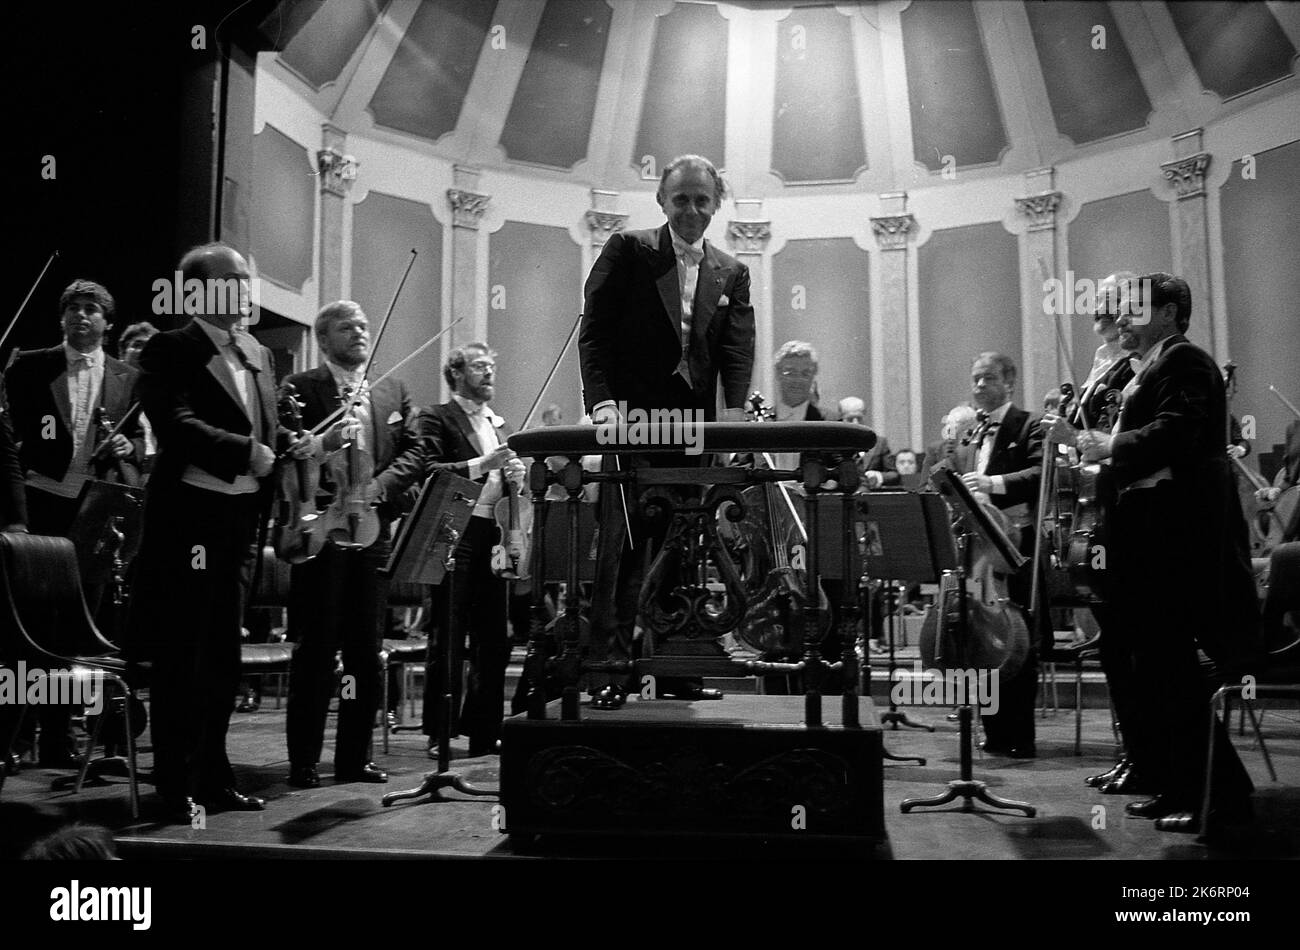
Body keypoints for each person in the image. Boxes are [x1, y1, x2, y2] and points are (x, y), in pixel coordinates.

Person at [1044, 273, 1257, 833]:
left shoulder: (1184, 362)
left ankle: (1222, 799)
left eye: (1134, 310)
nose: (1121, 321)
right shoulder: (1153, 367)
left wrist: (1107, 443)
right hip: (1152, 538)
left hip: (1179, 542)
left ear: (1167, 312)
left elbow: (1178, 432)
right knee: (1161, 671)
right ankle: (1180, 785)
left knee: (1173, 672)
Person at [126, 242, 315, 821]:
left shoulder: (257, 351)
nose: (245, 288)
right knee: (183, 654)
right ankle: (174, 782)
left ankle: (214, 775)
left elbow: (267, 427)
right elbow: (175, 425)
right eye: (232, 279)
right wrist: (247, 452)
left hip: (237, 525)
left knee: (223, 658)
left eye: (246, 278)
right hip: (190, 523)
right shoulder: (170, 348)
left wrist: (288, 444)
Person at [579, 153, 755, 710]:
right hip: (631, 422)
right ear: (661, 199)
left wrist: (727, 423)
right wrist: (602, 403)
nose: (692, 209)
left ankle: (674, 665)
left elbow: (735, 350)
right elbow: (595, 334)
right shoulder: (628, 250)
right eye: (681, 198)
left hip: (694, 431)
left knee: (687, 543)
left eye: (703, 199)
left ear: (716, 204)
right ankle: (608, 667)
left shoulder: (733, 270)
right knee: (624, 549)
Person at [0, 279, 143, 769]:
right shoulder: (30, 364)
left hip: (96, 509)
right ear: (62, 318)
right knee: (30, 626)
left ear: (108, 322)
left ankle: (59, 736)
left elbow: (142, 447)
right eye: (74, 309)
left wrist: (130, 449)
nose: (82, 317)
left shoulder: (128, 376)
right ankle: (16, 737)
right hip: (43, 504)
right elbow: (10, 438)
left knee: (75, 630)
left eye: (92, 310)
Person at [283, 301, 426, 789]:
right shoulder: (300, 389)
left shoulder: (391, 389)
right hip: (322, 531)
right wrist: (321, 445)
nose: (359, 333)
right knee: (316, 650)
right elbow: (287, 447)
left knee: (365, 652)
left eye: (364, 326)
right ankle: (303, 759)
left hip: (373, 530)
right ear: (323, 340)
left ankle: (352, 759)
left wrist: (381, 485)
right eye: (347, 327)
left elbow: (417, 449)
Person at [417, 342, 524, 757]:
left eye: (492, 365)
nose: (489, 372)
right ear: (457, 372)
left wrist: (513, 475)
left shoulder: (498, 424)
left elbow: (502, 476)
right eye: (480, 366)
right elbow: (429, 471)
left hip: (493, 534)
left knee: (494, 637)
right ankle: (438, 733)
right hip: (454, 532)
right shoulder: (436, 416)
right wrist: (484, 464)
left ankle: (485, 730)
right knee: (449, 632)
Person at [957, 351, 1044, 758]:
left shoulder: (1030, 424)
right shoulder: (971, 432)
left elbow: (1039, 474)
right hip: (977, 549)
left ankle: (1019, 737)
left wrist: (992, 482)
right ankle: (992, 731)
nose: (978, 386)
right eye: (974, 378)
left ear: (1009, 381)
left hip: (1016, 547)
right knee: (983, 641)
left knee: (1018, 643)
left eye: (988, 378)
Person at [118, 321, 159, 471]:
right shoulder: (112, 387)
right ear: (122, 354)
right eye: (138, 345)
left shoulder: (166, 393)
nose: (144, 351)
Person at [838, 395, 898, 489]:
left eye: (859, 418)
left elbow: (894, 474)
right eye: (850, 419)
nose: (855, 423)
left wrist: (879, 476)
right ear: (842, 419)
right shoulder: (834, 445)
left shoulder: (879, 443)